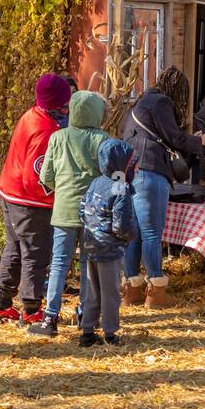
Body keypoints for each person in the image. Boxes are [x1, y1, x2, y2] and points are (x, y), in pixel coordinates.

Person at [121, 66, 205, 309]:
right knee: (151, 233)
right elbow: (175, 138)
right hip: (150, 173)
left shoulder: (143, 102)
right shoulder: (161, 102)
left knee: (134, 233)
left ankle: (131, 292)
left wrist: (193, 138)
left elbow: (167, 136)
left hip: (132, 171)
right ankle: (156, 292)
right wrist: (202, 141)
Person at [27, 90, 109, 336]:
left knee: (59, 263)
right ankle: (86, 315)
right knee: (88, 264)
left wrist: (62, 189)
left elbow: (46, 176)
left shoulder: (58, 137)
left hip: (63, 209)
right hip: (93, 211)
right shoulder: (103, 139)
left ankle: (50, 317)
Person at [0, 74, 69, 326]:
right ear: (59, 103)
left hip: (9, 191)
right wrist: (57, 196)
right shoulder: (46, 131)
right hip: (29, 201)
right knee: (36, 253)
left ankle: (2, 304)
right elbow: (36, 177)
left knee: (14, 248)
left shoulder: (31, 115)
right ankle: (32, 308)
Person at [77, 139, 138, 347]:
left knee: (92, 290)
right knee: (111, 292)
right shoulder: (120, 188)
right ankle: (110, 333)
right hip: (109, 249)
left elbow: (82, 209)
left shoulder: (95, 182)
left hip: (90, 245)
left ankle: (87, 331)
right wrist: (129, 237)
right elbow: (121, 224)